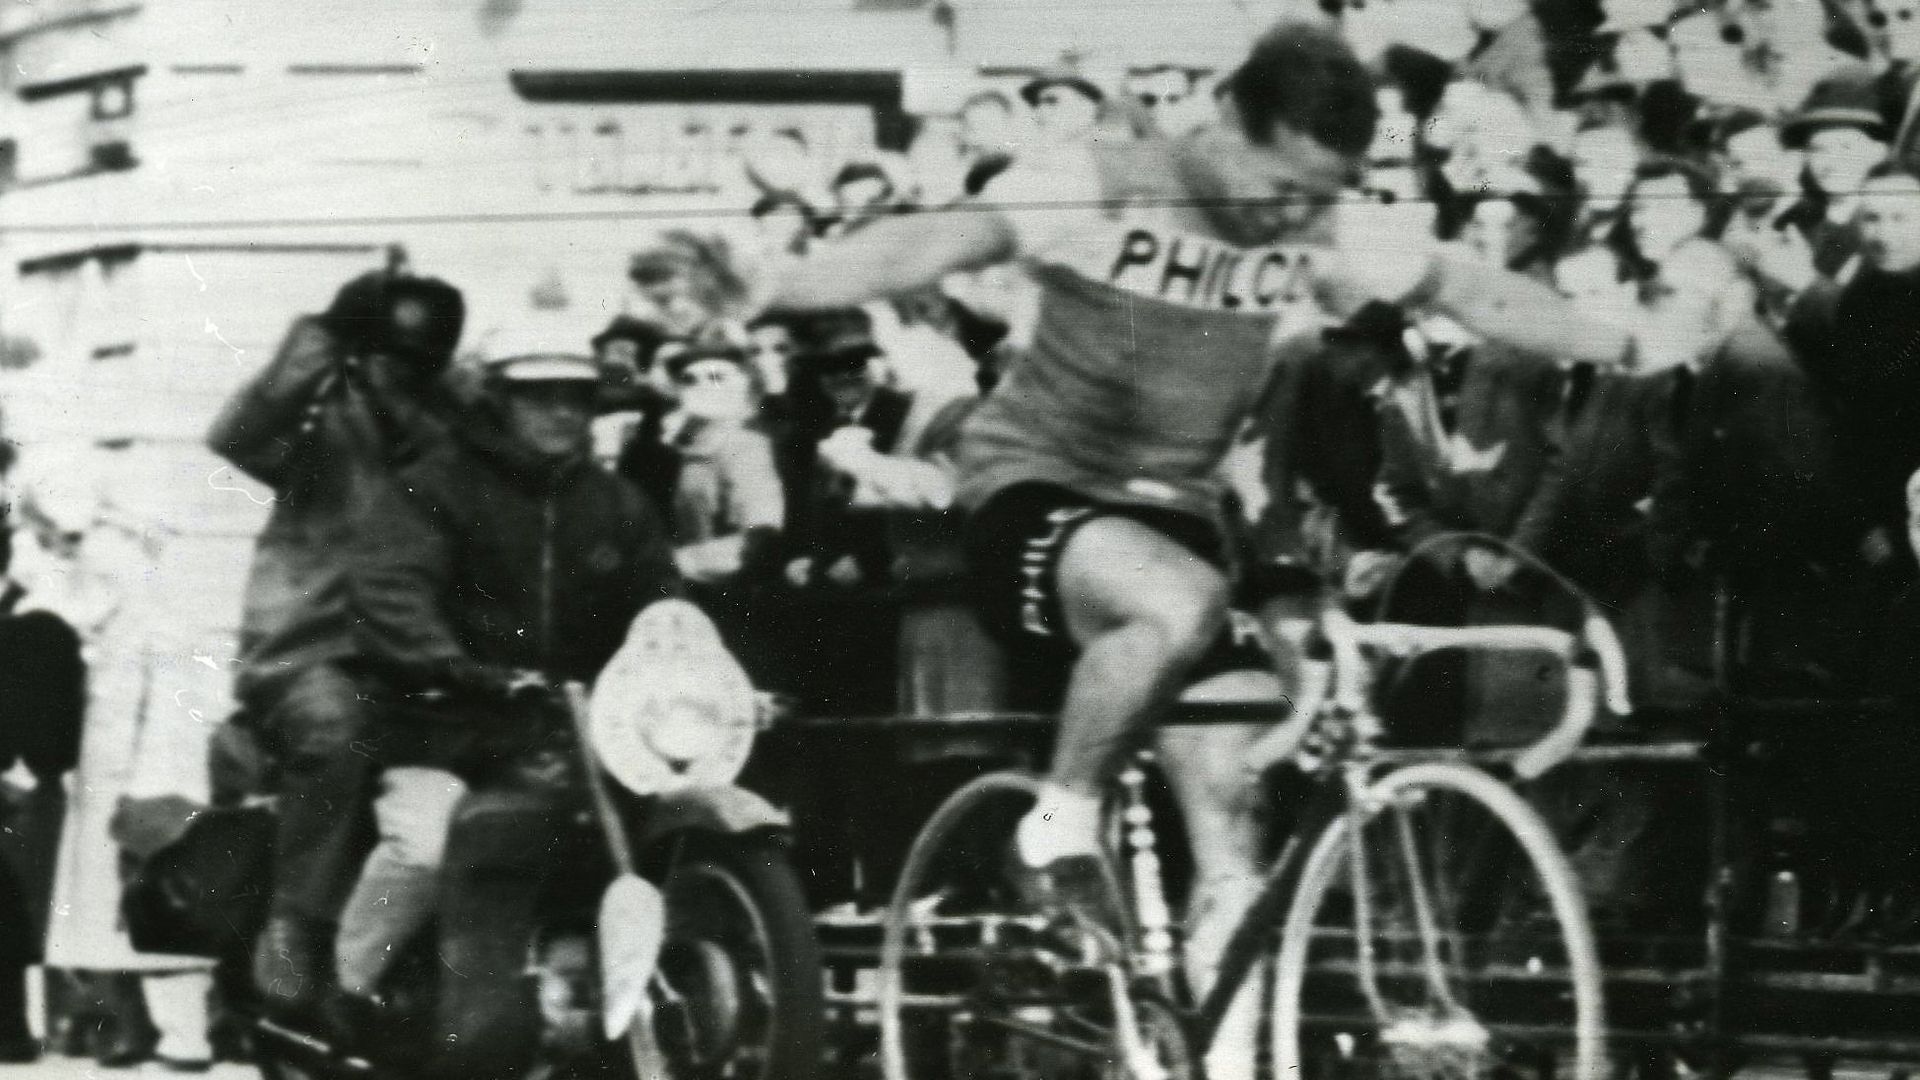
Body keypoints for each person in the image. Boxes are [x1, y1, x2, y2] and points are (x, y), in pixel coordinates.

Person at [748, 22, 1657, 1075]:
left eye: (1319, 194)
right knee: (1175, 602)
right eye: (1278, 186)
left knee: (1233, 809)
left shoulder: (1320, 224)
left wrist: (1626, 340)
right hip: (1032, 494)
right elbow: (931, 243)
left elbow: (1474, 292)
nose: (1292, 215)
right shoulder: (1106, 180)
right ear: (1227, 120)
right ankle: (1056, 826)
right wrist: (774, 285)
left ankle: (1219, 1058)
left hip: (1176, 520)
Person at [330, 332, 688, 1028]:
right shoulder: (432, 488)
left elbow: (661, 604)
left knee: (655, 830)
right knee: (427, 848)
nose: (562, 413)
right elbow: (394, 590)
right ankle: (352, 989)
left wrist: (687, 667)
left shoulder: (618, 504)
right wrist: (453, 666)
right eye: (538, 397)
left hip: (579, 730)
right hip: (443, 723)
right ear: (497, 402)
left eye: (578, 398)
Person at [203, 266, 468, 1013]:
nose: (396, 374)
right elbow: (239, 433)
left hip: (428, 650)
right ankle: (294, 918)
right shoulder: (321, 416)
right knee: (336, 728)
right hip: (310, 649)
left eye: (415, 362)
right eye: (382, 355)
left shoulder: (457, 428)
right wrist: (322, 331)